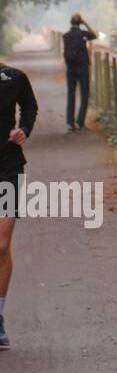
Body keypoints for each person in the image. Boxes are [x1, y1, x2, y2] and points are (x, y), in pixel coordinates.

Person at [0, 59, 38, 349]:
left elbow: (30, 108)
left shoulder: (13, 77)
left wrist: (24, 129)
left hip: (7, 169)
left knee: (1, 245)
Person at [62, 14, 96, 133]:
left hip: (70, 68)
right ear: (80, 22)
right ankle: (80, 122)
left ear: (70, 22)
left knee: (71, 95)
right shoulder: (83, 34)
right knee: (84, 94)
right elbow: (94, 35)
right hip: (82, 68)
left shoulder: (65, 36)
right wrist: (85, 23)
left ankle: (70, 124)